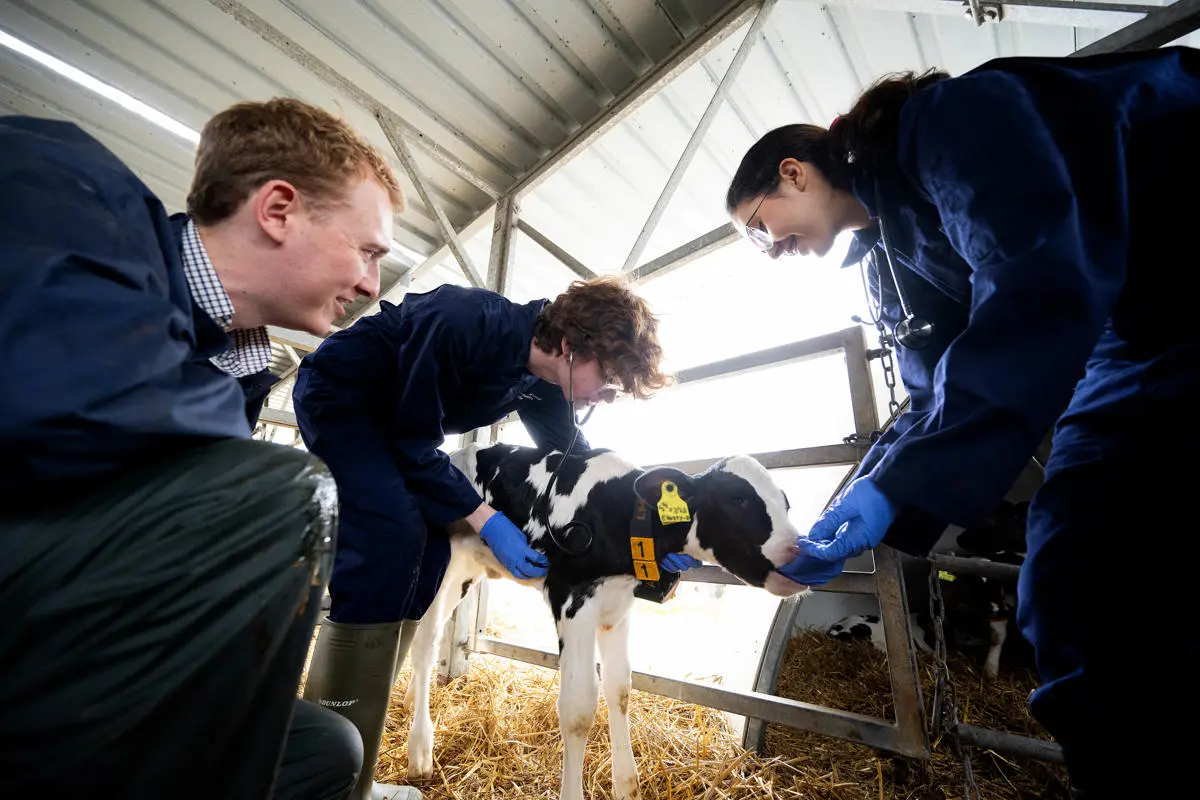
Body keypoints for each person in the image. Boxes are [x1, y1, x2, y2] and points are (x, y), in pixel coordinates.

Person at [725, 47, 1200, 799]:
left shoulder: (948, 122)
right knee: (1070, 579)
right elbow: (929, 391)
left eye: (759, 227)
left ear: (793, 172)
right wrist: (878, 495)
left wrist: (898, 486)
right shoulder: (890, 260)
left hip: (1183, 270)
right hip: (1135, 339)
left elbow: (1037, 274)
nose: (770, 249)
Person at [0, 97, 403, 800]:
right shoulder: (75, 192)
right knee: (288, 493)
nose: (371, 284)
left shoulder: (231, 364)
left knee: (328, 748)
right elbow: (45, 400)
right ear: (277, 210)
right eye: (367, 250)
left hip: (66, 626)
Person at [293, 276, 676, 799]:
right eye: (608, 379)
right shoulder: (464, 321)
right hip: (344, 399)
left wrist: (647, 523)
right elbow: (413, 440)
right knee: (390, 536)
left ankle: (353, 775)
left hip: (400, 430)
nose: (607, 397)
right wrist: (487, 519)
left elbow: (574, 456)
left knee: (427, 557)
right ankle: (319, 777)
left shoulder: (540, 379)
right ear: (570, 347)